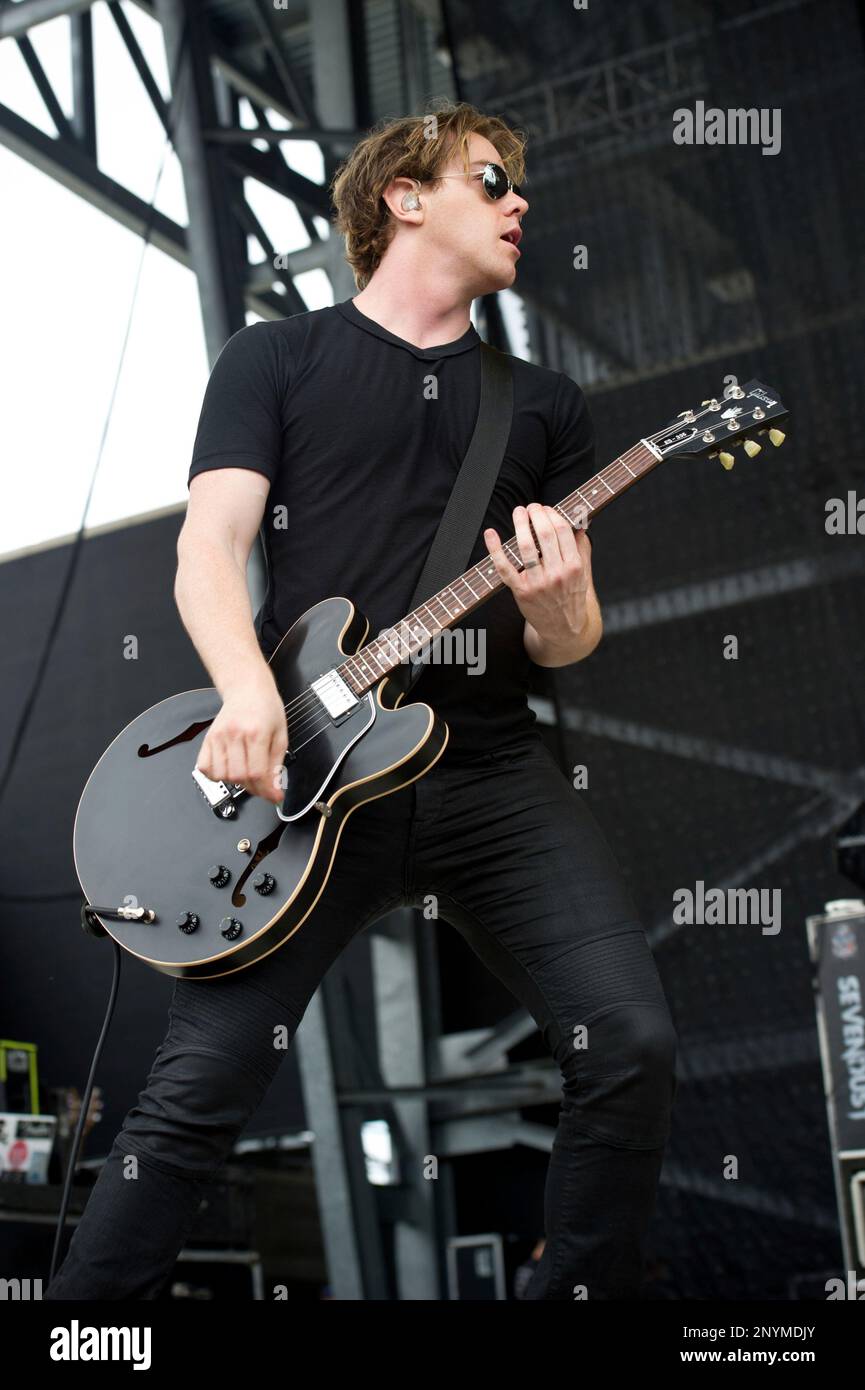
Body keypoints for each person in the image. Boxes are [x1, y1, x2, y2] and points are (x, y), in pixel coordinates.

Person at [45, 99, 677, 1301]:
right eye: (490, 180)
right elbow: (208, 549)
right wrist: (245, 691)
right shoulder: (275, 358)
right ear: (402, 196)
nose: (518, 203)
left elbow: (566, 643)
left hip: (488, 769)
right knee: (190, 1101)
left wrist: (560, 599)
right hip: (305, 782)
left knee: (630, 1042)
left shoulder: (541, 404)